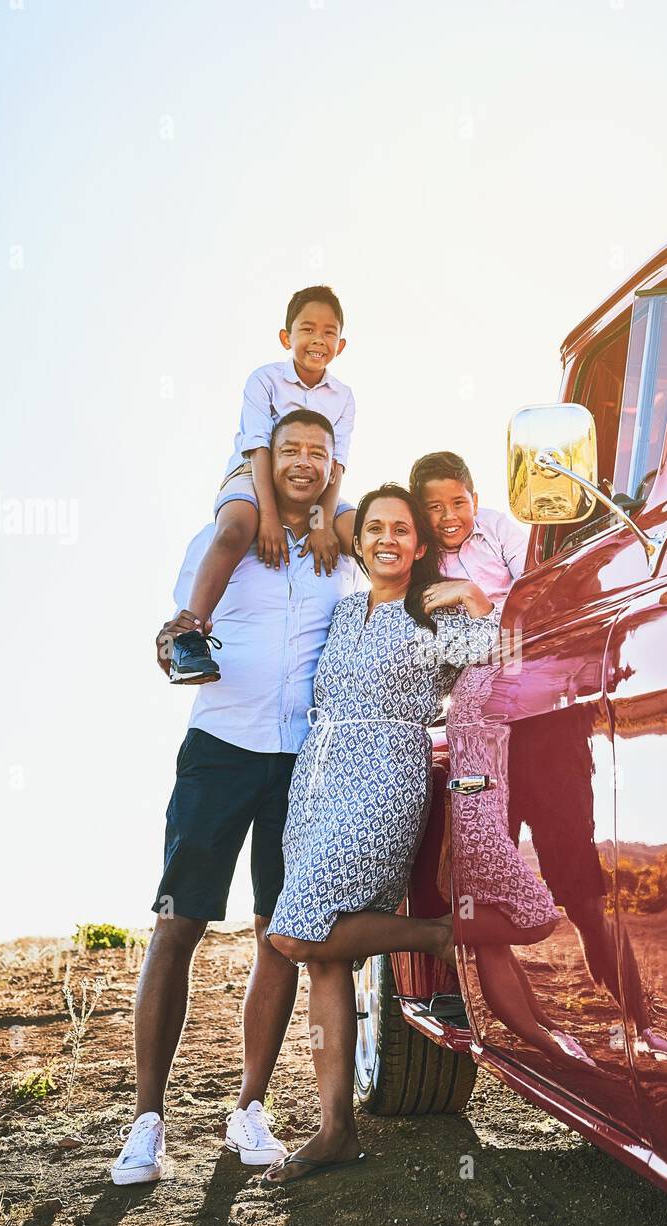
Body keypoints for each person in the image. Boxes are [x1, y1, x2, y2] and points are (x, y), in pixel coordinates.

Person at [110, 409, 359, 1186]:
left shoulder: (339, 557)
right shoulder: (220, 540)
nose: (304, 463)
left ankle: (248, 1109)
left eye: (318, 452)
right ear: (266, 459)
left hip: (300, 763)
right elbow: (178, 635)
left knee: (278, 933)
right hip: (219, 750)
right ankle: (147, 1121)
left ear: (329, 465)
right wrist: (167, 642)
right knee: (179, 922)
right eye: (290, 450)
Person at [260, 483, 499, 1184]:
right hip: (317, 782)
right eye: (374, 528)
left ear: (420, 545)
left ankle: (437, 934)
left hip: (387, 776)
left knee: (293, 934)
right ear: (359, 541)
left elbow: (497, 660)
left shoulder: (433, 612)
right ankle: (336, 1129)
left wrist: (479, 604)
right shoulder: (339, 613)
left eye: (401, 528)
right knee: (325, 960)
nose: (387, 538)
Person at [170, 287, 357, 685]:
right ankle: (188, 636)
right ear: (286, 338)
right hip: (252, 475)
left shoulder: (343, 397)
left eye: (328, 332)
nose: (318, 340)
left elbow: (336, 463)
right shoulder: (265, 380)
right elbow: (258, 449)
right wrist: (268, 519)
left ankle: (410, 633)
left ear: (340, 344)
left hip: (317, 486)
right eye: (307, 329)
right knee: (234, 532)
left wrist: (322, 522)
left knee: (361, 529)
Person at [408, 450, 528, 606]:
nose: (449, 516)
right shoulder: (417, 554)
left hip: (514, 621)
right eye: (435, 507)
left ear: (475, 503)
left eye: (458, 503)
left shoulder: (496, 525)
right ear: (419, 512)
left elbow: (531, 581)